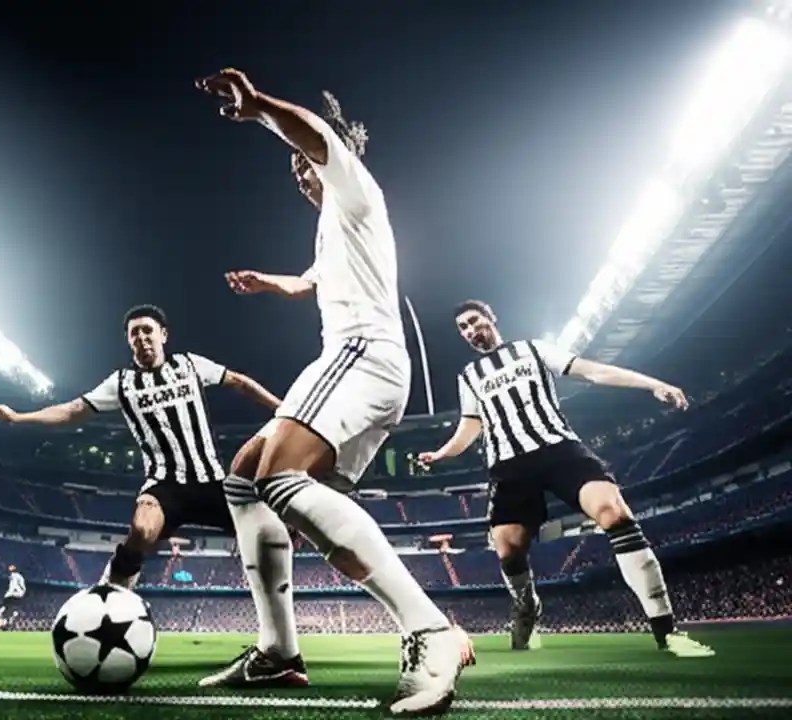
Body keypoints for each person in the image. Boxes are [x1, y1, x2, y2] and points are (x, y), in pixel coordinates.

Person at [193, 69, 473, 714]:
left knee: (279, 477)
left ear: (333, 157)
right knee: (244, 478)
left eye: (304, 162)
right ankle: (279, 653)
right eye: (293, 167)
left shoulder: (356, 190)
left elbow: (317, 136)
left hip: (360, 356)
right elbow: (310, 282)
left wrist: (259, 106)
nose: (299, 171)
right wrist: (272, 284)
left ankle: (430, 630)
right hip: (358, 362)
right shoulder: (334, 230)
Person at [418, 299, 715, 657]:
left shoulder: (533, 350)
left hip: (559, 449)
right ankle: (527, 605)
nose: (469, 331)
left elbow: (592, 371)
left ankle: (668, 632)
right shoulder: (468, 377)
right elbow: (470, 427)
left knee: (614, 513)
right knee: (509, 550)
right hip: (509, 466)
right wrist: (441, 453)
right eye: (463, 328)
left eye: (474, 321)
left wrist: (651, 384)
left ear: (491, 319)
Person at [0, 304, 282, 594]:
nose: (141, 337)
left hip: (212, 480)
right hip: (164, 484)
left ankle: (274, 632)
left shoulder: (190, 365)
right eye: (134, 332)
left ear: (163, 334)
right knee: (142, 530)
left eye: (147, 330)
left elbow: (240, 382)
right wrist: (18, 417)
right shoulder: (121, 383)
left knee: (265, 534)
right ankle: (109, 597)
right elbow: (73, 410)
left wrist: (281, 408)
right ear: (128, 340)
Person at [0, 564, 26, 629]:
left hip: (13, 593)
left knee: (5, 604)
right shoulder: (20, 577)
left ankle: (7, 613)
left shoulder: (14, 576)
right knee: (11, 606)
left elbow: (12, 582)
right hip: (19, 594)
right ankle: (12, 614)